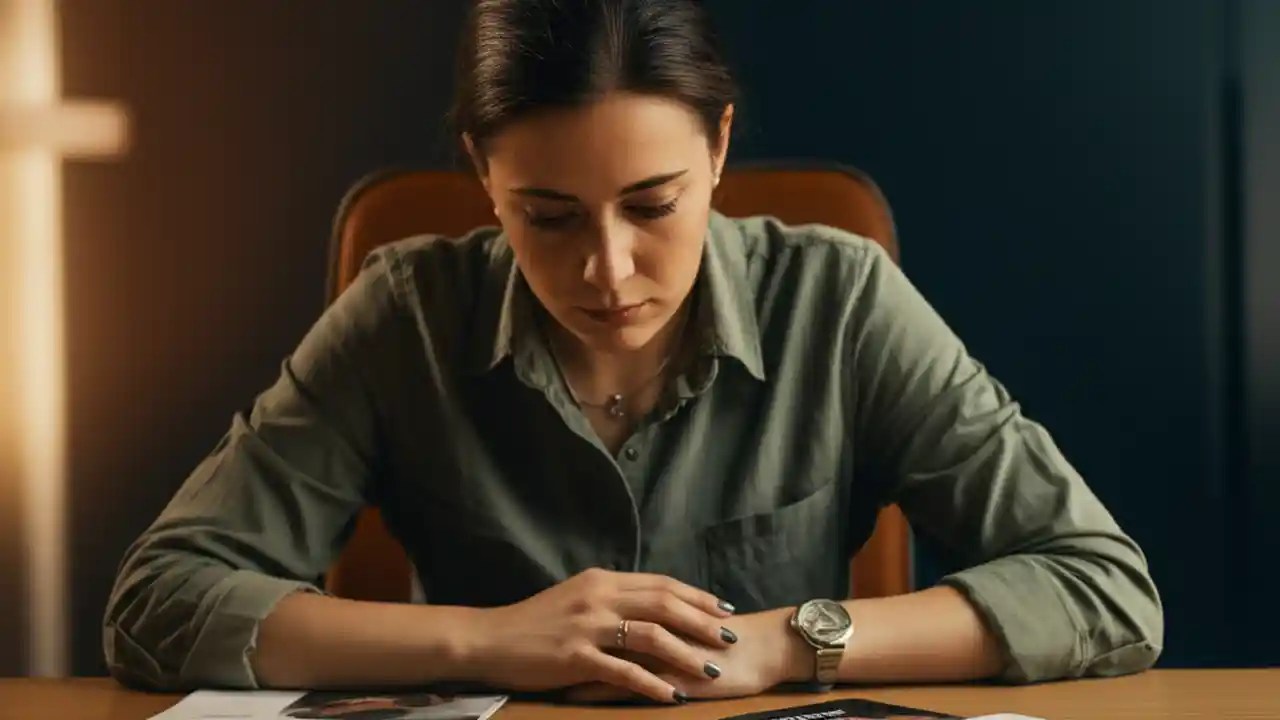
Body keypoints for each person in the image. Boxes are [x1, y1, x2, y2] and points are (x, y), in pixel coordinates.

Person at [103, 0, 1163, 706]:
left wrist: (782, 642)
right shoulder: (405, 313)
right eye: (547, 215)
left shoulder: (837, 298)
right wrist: (487, 641)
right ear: (481, 174)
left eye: (651, 205)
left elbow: (1102, 591)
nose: (607, 270)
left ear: (716, 148)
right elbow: (159, 601)